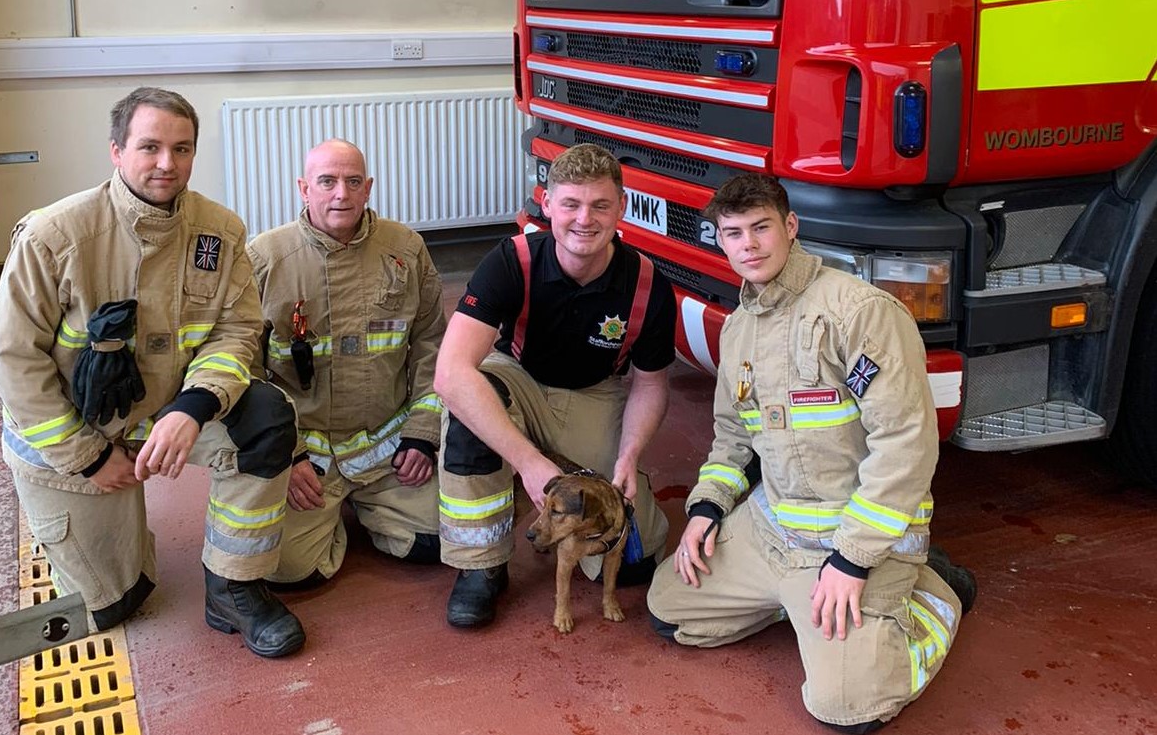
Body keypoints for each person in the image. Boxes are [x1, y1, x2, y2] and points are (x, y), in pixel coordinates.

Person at [647, 174, 975, 733]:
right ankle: (796, 603)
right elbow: (732, 437)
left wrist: (852, 561)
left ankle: (933, 601)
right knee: (670, 608)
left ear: (790, 227)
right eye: (733, 233)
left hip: (855, 542)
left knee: (847, 706)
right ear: (719, 241)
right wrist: (706, 509)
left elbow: (907, 445)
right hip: (776, 533)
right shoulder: (739, 331)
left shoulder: (859, 313)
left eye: (761, 228)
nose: (748, 244)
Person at [0, 87, 304, 658]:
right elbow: (14, 362)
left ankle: (234, 586)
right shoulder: (53, 237)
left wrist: (195, 406)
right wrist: (86, 457)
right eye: (150, 147)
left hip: (169, 412)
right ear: (116, 151)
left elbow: (236, 332)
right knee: (114, 604)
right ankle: (102, 529)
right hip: (74, 436)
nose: (168, 163)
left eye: (182, 149)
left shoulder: (220, 231)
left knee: (266, 416)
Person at [434, 143, 674, 628]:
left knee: (635, 562)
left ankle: (538, 488)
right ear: (547, 204)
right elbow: (450, 372)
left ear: (621, 208)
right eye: (571, 204)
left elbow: (650, 385)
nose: (585, 219)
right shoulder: (511, 261)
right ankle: (481, 565)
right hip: (521, 378)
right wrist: (531, 465)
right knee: (467, 408)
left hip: (595, 393)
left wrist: (629, 457)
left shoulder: (647, 283)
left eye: (600, 205)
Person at [247, 139, 445, 585]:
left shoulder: (406, 250)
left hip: (388, 450)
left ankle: (369, 505)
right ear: (303, 188)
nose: (341, 194)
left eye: (353, 181)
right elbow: (247, 371)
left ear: (368, 187)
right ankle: (334, 514)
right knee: (287, 570)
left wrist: (422, 434)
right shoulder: (266, 259)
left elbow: (432, 342)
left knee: (438, 538)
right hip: (307, 457)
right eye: (327, 181)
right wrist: (286, 453)